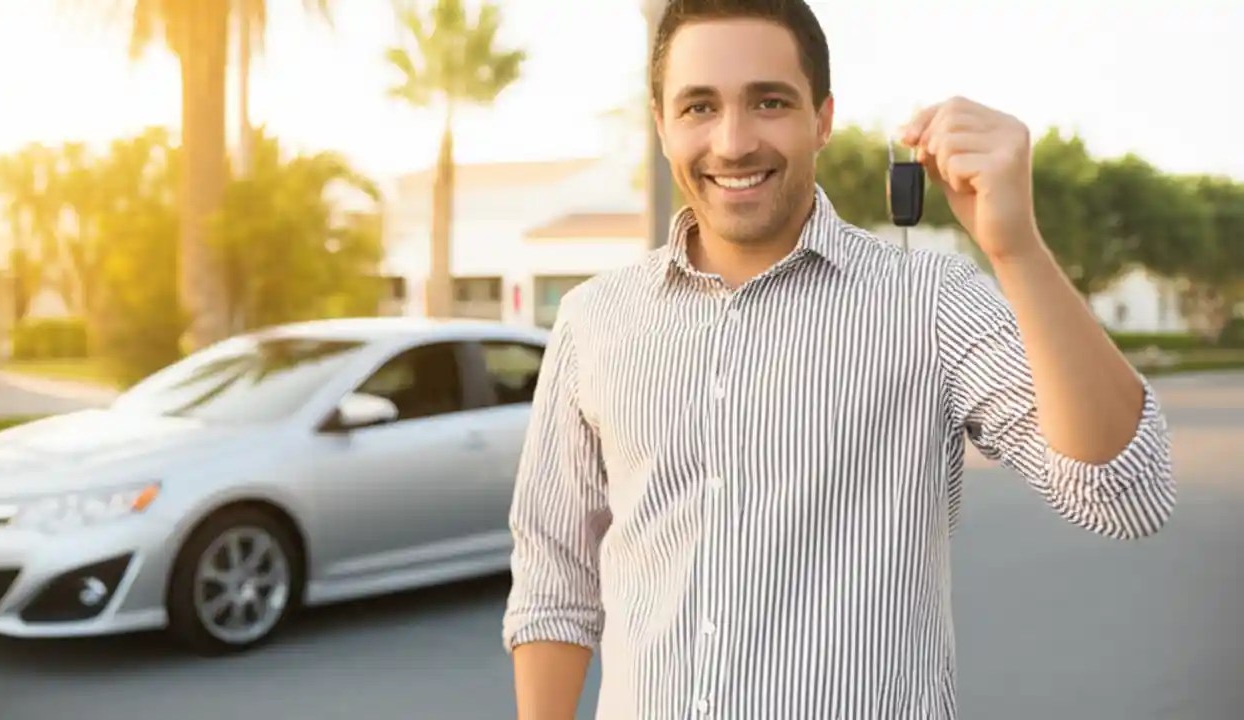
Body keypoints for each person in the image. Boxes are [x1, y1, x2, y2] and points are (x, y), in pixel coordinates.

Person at [502, 1, 1177, 718]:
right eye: (699, 106)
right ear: (662, 123)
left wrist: (1017, 250)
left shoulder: (931, 301)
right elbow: (555, 583)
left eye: (769, 101)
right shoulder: (593, 320)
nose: (732, 142)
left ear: (822, 118)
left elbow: (1125, 495)